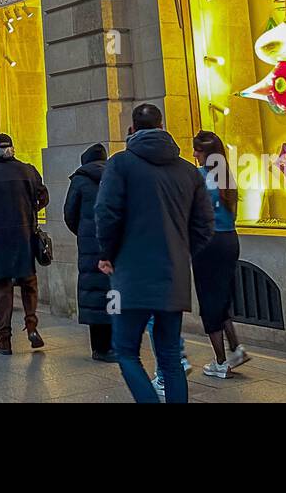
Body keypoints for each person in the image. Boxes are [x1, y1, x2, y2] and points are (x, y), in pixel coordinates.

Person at [95, 103, 214, 404]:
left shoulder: (120, 164)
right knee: (170, 357)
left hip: (130, 276)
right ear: (162, 127)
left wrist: (108, 253)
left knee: (125, 351)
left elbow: (106, 213)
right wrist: (181, 252)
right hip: (172, 275)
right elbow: (204, 225)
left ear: (132, 130)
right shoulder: (189, 170)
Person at [0, 133, 48, 354]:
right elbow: (44, 197)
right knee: (28, 282)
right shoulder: (28, 170)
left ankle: (5, 338)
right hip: (24, 235)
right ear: (12, 149)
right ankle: (32, 326)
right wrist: (30, 212)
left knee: (2, 287)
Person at [191, 130, 249, 378]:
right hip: (229, 240)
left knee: (208, 300)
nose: (194, 154)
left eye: (197, 150)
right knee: (222, 296)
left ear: (206, 153)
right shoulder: (227, 177)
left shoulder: (199, 177)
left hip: (207, 242)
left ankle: (221, 361)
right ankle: (236, 348)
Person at [64, 143, 115, 362]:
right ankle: (115, 344)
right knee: (112, 291)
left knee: (93, 293)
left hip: (89, 244)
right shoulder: (115, 176)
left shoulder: (79, 179)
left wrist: (84, 232)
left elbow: (69, 214)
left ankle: (99, 347)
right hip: (114, 242)